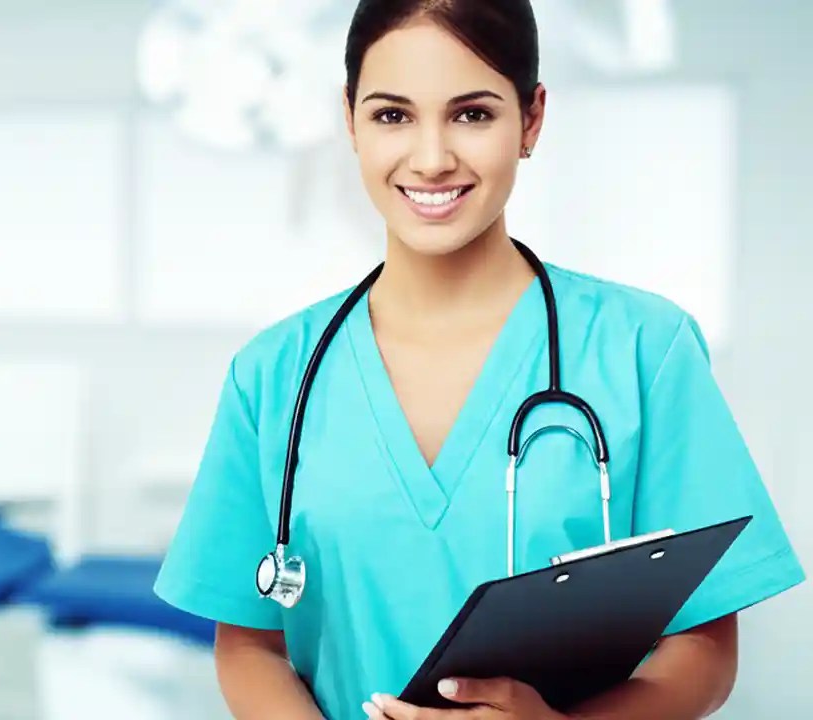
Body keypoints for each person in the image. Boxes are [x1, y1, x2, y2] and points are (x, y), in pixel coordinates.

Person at [152, 1, 806, 718]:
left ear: (531, 121)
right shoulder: (272, 375)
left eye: (472, 114)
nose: (431, 158)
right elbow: (249, 646)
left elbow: (703, 651)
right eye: (392, 115)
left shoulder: (645, 350)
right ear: (349, 120)